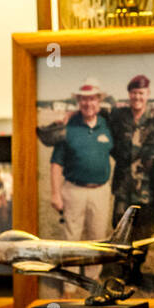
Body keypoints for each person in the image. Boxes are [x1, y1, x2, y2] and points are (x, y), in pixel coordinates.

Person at [50, 78, 114, 288]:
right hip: (73, 190)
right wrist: (55, 193)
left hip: (101, 191)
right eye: (83, 100)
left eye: (92, 99)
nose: (88, 104)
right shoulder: (67, 126)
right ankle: (69, 284)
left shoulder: (107, 124)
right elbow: (56, 163)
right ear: (78, 101)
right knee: (72, 238)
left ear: (98, 101)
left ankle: (93, 278)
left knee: (98, 236)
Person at [107, 74, 154, 243]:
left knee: (145, 230)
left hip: (146, 189)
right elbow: (94, 114)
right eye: (134, 93)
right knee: (119, 228)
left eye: (141, 93)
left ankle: (137, 267)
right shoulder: (118, 116)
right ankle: (123, 266)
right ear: (129, 95)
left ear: (148, 94)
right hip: (123, 188)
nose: (137, 97)